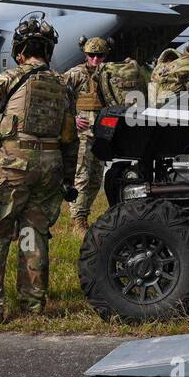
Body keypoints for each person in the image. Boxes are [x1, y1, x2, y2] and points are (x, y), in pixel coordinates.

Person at [0, 15, 78, 322]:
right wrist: (68, 177)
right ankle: (33, 306)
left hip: (12, 166)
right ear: (48, 52)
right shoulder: (63, 87)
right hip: (50, 167)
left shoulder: (7, 79)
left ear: (19, 51)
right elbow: (71, 138)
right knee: (33, 235)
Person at [61, 36, 112, 236]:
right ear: (85, 55)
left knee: (95, 179)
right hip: (82, 134)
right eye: (91, 55)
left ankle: (84, 215)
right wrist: (72, 119)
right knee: (81, 177)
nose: (95, 59)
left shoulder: (109, 74)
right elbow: (60, 96)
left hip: (102, 133)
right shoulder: (75, 74)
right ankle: (78, 220)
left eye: (99, 56)